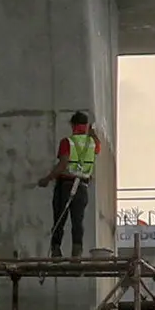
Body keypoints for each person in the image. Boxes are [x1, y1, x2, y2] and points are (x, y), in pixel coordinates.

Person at [35, 111, 102, 258]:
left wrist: (47, 179)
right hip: (82, 187)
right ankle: (76, 252)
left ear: (73, 125)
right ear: (86, 126)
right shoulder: (92, 143)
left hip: (65, 185)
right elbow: (98, 146)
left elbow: (63, 164)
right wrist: (92, 132)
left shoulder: (67, 142)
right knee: (77, 221)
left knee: (59, 219)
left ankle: (56, 250)